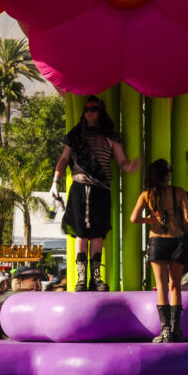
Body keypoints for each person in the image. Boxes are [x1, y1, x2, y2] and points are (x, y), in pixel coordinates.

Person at [52, 97, 138, 292]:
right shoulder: (76, 134)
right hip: (79, 187)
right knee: (81, 234)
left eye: (93, 109)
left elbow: (121, 161)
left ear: (101, 112)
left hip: (101, 188)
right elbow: (64, 158)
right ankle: (81, 278)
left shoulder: (111, 135)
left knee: (98, 234)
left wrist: (131, 166)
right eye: (87, 109)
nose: (89, 112)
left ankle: (96, 277)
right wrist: (55, 181)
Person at [128, 159, 188, 341]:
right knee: (175, 285)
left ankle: (165, 330)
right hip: (177, 242)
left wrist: (150, 219)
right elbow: (186, 219)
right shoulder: (178, 192)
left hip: (157, 243)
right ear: (167, 175)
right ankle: (177, 330)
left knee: (161, 287)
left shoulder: (147, 194)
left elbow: (133, 218)